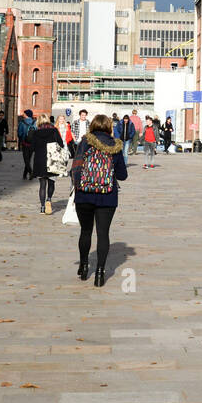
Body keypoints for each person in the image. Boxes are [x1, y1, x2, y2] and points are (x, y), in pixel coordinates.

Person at [71, 114, 128, 288]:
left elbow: (76, 167)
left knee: (85, 231)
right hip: (107, 195)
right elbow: (122, 175)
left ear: (93, 126)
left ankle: (84, 266)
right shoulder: (115, 146)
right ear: (109, 127)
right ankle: (100, 273)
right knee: (103, 234)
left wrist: (77, 186)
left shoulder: (85, 142)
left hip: (84, 194)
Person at [29, 115, 65, 215]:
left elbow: (32, 147)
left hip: (40, 160)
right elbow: (61, 144)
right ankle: (48, 199)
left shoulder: (36, 132)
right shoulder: (54, 131)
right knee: (51, 182)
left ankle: (42, 207)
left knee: (42, 185)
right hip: (52, 160)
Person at [18, 109, 36, 180]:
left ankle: (31, 172)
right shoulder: (34, 122)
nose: (23, 114)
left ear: (27, 115)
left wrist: (21, 140)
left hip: (25, 143)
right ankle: (24, 175)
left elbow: (19, 133)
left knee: (26, 159)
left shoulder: (22, 122)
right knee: (28, 159)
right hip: (32, 143)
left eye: (24, 113)